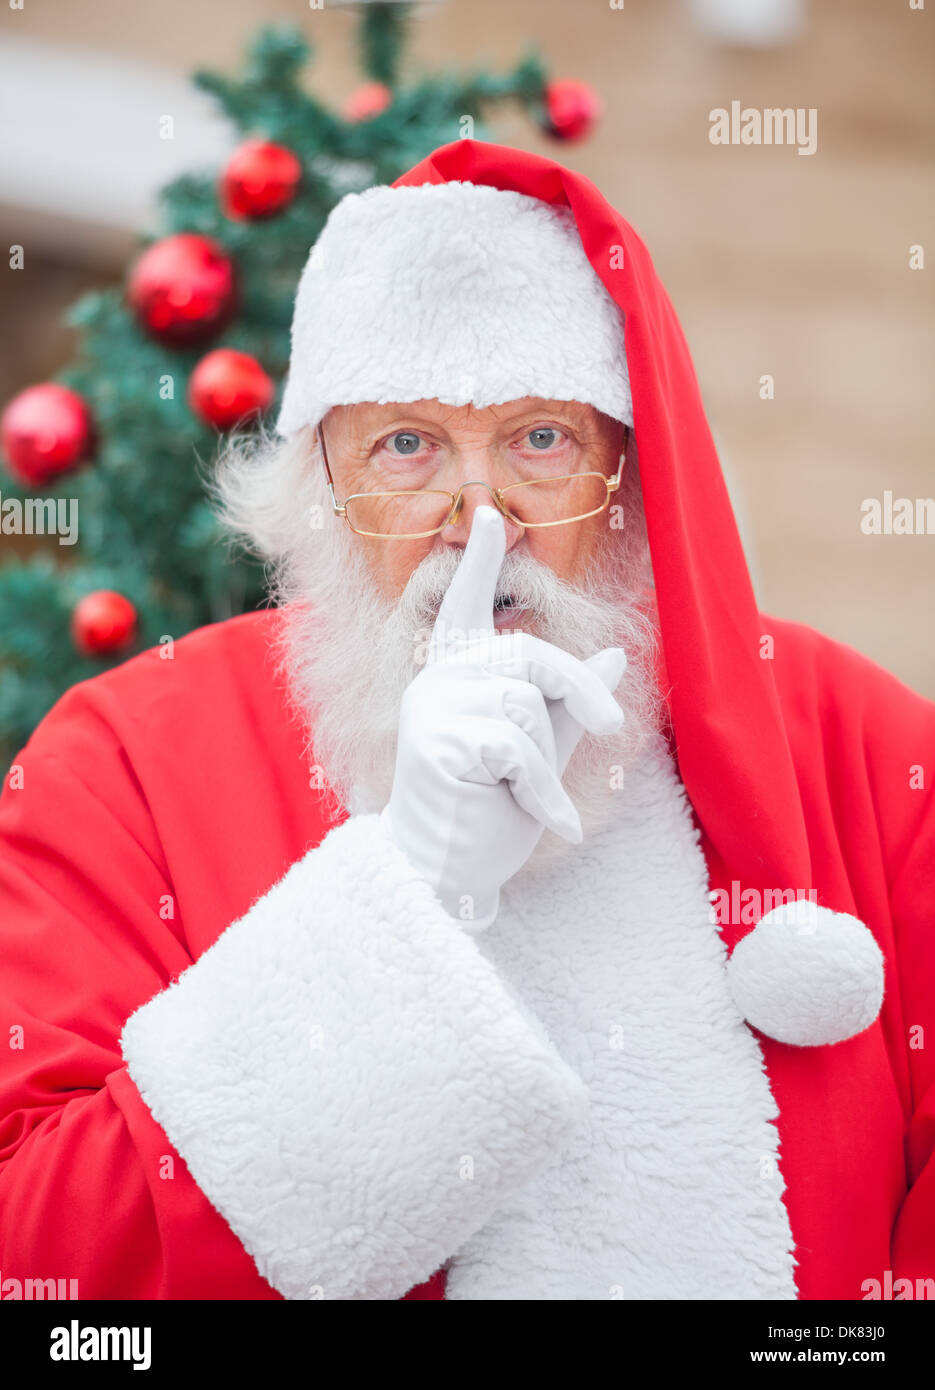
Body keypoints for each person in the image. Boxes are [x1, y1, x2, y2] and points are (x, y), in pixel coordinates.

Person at [0, 138, 932, 1303]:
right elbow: (46, 1265)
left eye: (541, 439)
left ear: (631, 482)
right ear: (321, 488)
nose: (474, 516)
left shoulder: (863, 742)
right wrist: (406, 885)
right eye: (405, 445)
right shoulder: (122, 760)